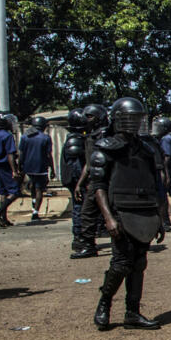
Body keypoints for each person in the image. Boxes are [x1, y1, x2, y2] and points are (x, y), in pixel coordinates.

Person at [88, 97, 167, 330]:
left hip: (144, 212)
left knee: (139, 263)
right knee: (121, 263)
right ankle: (104, 304)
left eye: (138, 119)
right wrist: (109, 218)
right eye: (130, 119)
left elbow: (155, 186)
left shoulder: (147, 149)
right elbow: (98, 187)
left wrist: (159, 218)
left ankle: (132, 312)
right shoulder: (105, 148)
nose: (134, 123)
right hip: (120, 212)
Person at [71, 104, 110, 257]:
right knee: (88, 212)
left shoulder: (105, 135)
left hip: (105, 179)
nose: (86, 119)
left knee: (92, 212)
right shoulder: (91, 136)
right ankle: (88, 243)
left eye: (90, 116)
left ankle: (89, 244)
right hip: (95, 179)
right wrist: (80, 183)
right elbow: (89, 163)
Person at [0, 112, 22, 228]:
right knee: (15, 192)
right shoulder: (7, 136)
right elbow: (10, 154)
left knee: (3, 192)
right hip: (6, 166)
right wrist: (14, 170)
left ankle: (3, 218)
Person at [60, 108, 88, 244]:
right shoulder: (75, 140)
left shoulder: (78, 138)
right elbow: (76, 166)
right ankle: (79, 237)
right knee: (79, 207)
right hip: (76, 181)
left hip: (77, 180)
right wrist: (80, 183)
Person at [19, 115, 54, 222]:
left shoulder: (25, 137)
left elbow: (21, 153)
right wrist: (52, 169)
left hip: (28, 167)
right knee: (39, 189)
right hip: (41, 167)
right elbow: (49, 155)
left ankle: (34, 203)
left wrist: (20, 167)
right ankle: (35, 212)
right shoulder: (46, 138)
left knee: (33, 187)